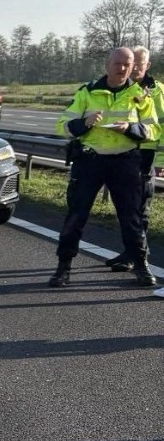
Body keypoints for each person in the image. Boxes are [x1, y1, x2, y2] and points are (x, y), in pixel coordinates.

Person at [50, 47, 157, 288]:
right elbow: (62, 125)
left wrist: (131, 128)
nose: (122, 68)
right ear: (106, 65)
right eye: (118, 63)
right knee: (76, 216)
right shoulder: (87, 92)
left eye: (127, 64)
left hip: (125, 161)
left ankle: (141, 266)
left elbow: (154, 130)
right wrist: (84, 123)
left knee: (132, 218)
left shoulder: (140, 94)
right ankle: (63, 268)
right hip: (90, 161)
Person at [104, 46, 162, 271]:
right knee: (128, 211)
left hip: (146, 158)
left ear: (148, 66)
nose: (135, 67)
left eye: (141, 64)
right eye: (133, 63)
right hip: (124, 159)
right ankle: (129, 252)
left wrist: (158, 162)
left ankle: (139, 259)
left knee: (140, 210)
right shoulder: (124, 89)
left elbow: (158, 129)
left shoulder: (155, 92)